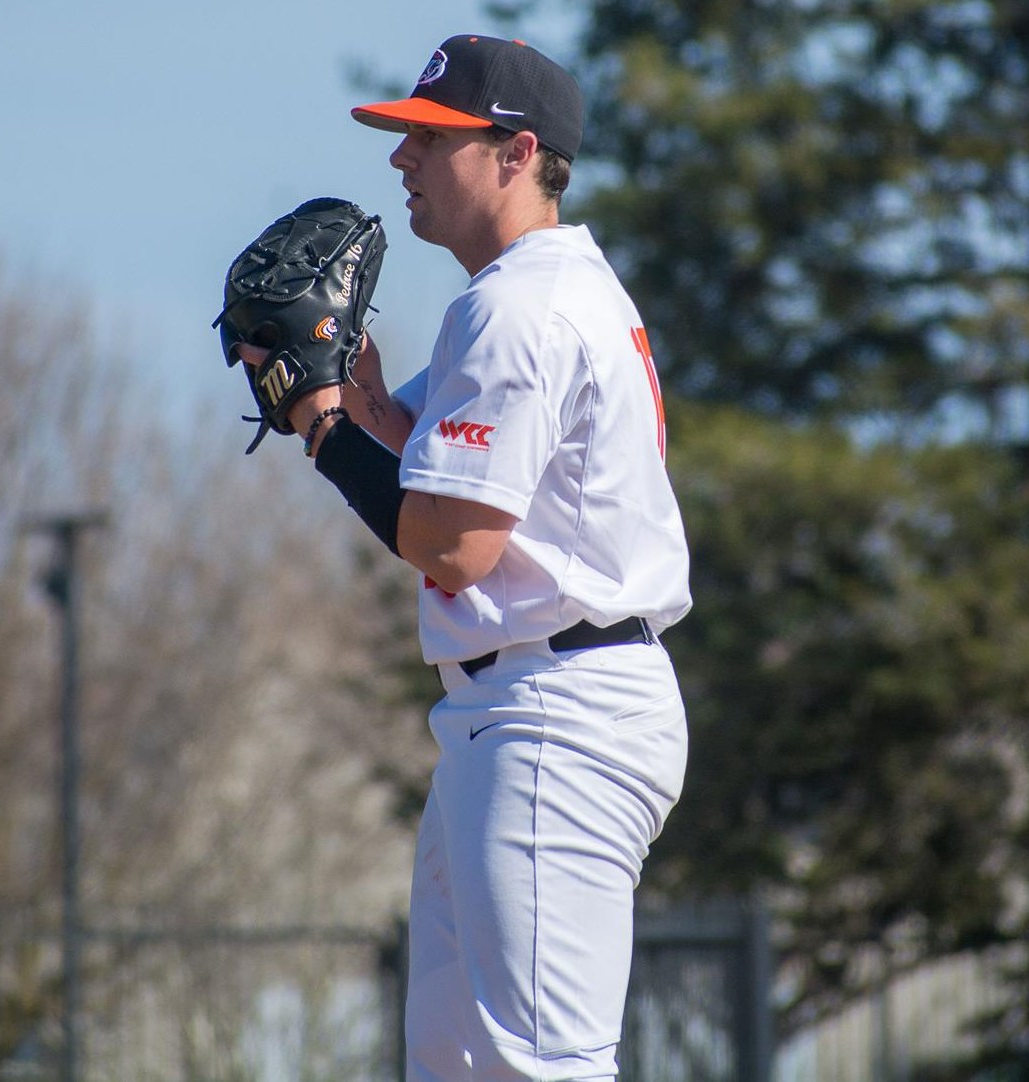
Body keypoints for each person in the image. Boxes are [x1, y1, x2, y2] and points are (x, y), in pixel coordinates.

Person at [239, 33, 691, 1080]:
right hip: (527, 701)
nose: (404, 158)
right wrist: (364, 402)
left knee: (535, 1066)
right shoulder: (535, 291)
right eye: (406, 136)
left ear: (515, 153)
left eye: (434, 139)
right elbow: (469, 487)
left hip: (555, 708)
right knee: (460, 1061)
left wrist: (321, 429)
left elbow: (454, 544)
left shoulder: (517, 306)